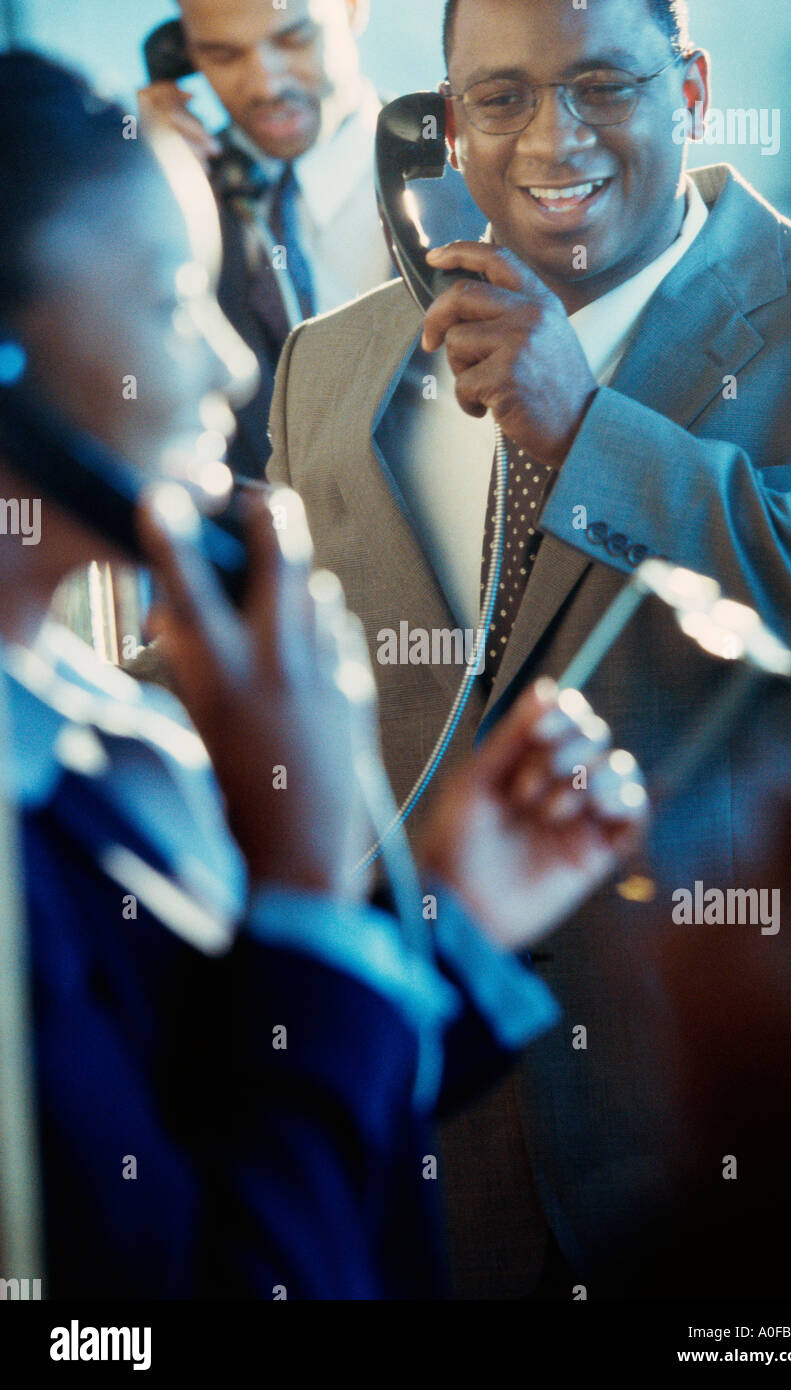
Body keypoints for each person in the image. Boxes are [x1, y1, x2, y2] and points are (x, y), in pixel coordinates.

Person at [0, 51, 647, 1300]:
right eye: (167, 296)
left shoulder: (96, 739)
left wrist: (440, 923)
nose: (226, 367)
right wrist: (301, 872)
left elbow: (236, 1122)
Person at [266, 0, 791, 1296]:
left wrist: (585, 429)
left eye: (602, 85)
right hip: (425, 1145)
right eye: (500, 98)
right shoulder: (328, 364)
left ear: (692, 87)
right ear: (439, 119)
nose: (554, 136)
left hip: (708, 1137)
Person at [139, 0, 482, 479]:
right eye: (222, 54)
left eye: (295, 39)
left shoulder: (481, 188)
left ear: (354, 9)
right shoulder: (158, 200)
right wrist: (128, 183)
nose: (267, 85)